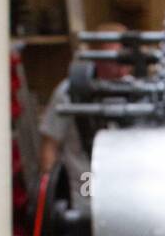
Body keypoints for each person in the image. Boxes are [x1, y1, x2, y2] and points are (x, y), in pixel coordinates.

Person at [39, 21, 129, 193]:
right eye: (114, 60)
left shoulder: (137, 92)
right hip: (86, 189)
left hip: (124, 191)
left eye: (125, 59)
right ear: (97, 58)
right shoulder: (68, 92)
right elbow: (49, 146)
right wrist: (47, 189)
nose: (121, 68)